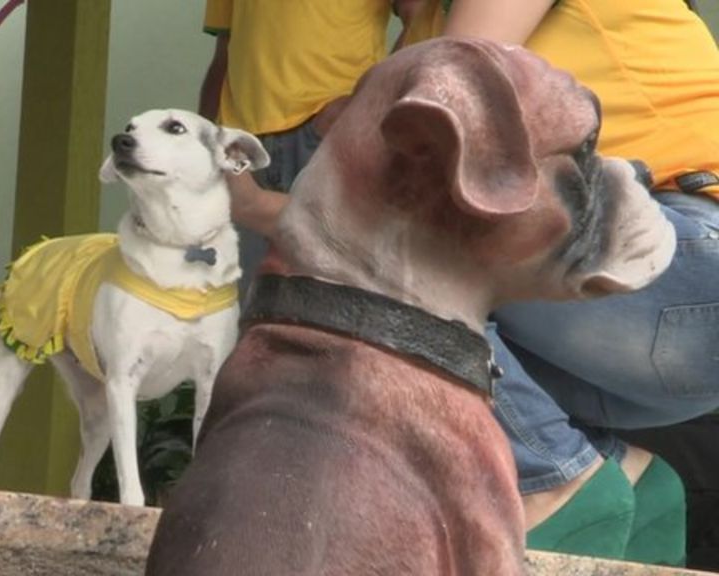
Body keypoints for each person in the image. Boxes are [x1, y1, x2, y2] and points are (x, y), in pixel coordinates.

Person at [201, 0, 719, 567]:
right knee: (393, 361)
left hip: (686, 260)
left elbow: (366, 234)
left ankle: (547, 482)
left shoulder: (455, 50)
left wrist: (254, 205)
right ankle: (632, 483)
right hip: (636, 315)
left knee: (391, 285)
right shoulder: (423, 36)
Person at [198, 0, 393, 298]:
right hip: (240, 145)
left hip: (328, 135)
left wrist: (362, 105)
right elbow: (224, 52)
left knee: (333, 304)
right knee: (238, 306)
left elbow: (419, 22)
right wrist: (201, 143)